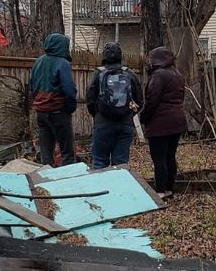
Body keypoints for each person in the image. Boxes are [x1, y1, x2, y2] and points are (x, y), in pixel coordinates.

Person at [85, 42, 142, 169]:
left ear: (103, 56)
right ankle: (119, 188)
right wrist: (128, 113)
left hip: (103, 124)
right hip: (125, 124)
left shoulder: (98, 74)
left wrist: (99, 114)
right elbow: (139, 100)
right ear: (121, 56)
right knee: (121, 163)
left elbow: (89, 99)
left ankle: (102, 188)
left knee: (100, 161)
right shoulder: (130, 74)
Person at [141, 45, 187, 199]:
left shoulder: (158, 75)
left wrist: (144, 117)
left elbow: (152, 100)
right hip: (177, 121)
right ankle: (169, 189)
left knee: (159, 158)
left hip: (160, 123)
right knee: (170, 156)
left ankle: (160, 191)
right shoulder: (178, 74)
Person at [30, 32, 78, 166]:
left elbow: (32, 86)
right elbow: (69, 89)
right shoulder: (63, 63)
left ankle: (45, 182)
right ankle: (67, 182)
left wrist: (38, 103)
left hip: (41, 113)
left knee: (46, 154)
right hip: (58, 112)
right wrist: (69, 108)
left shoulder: (38, 62)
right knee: (67, 153)